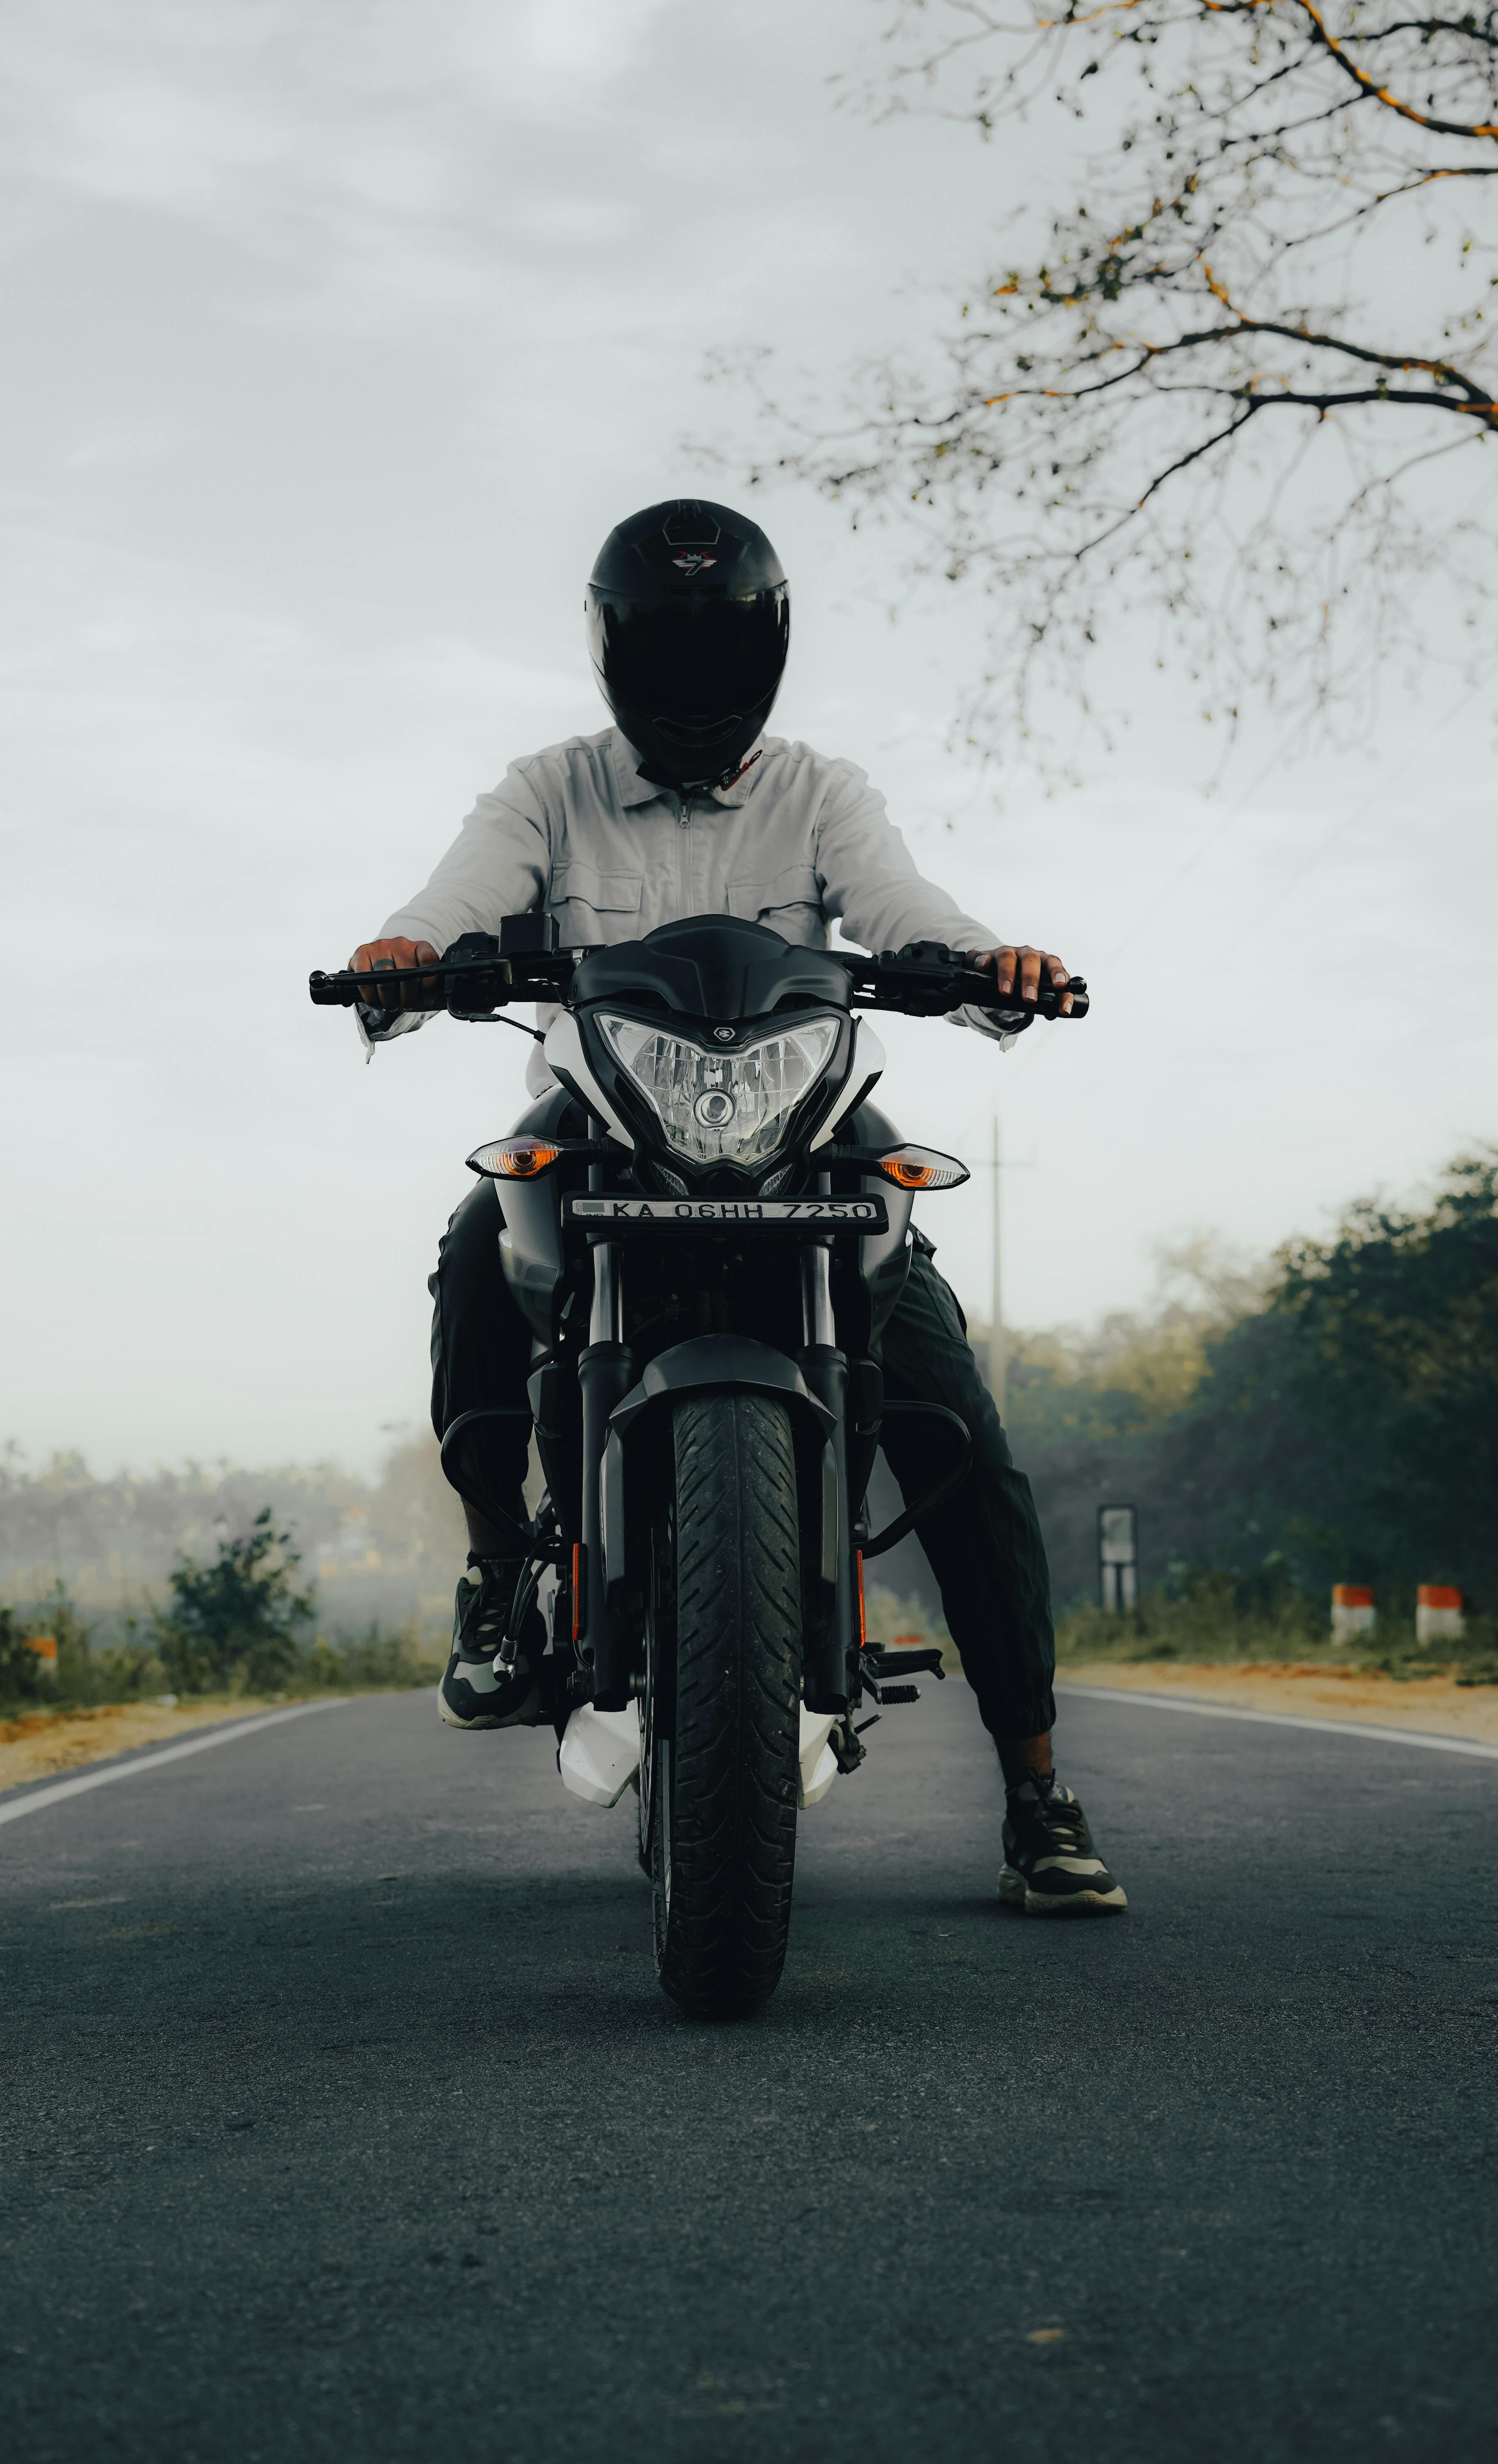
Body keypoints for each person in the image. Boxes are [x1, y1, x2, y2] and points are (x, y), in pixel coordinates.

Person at [350, 498, 1125, 1918]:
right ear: (614, 653)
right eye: (670, 655)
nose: (697, 687)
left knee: (959, 1438)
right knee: (475, 1238)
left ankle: (1038, 1792)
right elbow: (463, 895)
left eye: (722, 655)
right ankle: (494, 1569)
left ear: (766, 651)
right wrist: (411, 952)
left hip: (804, 1124)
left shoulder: (821, 792)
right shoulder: (549, 788)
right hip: (598, 1125)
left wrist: (987, 959)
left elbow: (902, 905)